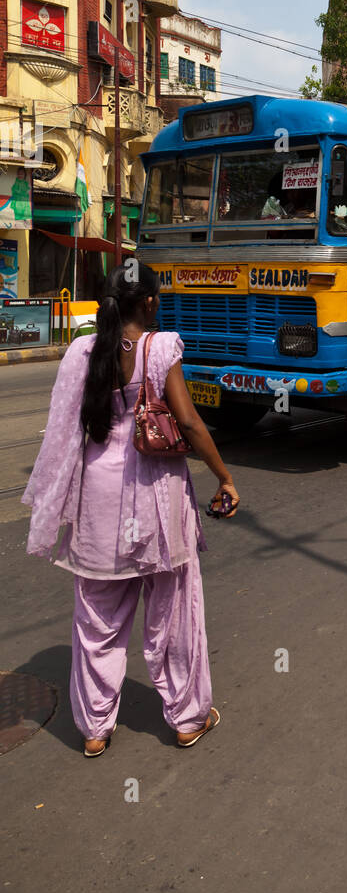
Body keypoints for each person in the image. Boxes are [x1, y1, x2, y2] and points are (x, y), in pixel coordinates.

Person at [22, 263, 239, 757]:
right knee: (174, 609)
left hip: (97, 500)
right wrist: (224, 476)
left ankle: (95, 729)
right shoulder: (160, 347)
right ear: (149, 303)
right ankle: (187, 719)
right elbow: (187, 421)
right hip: (155, 495)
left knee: (97, 617)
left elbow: (64, 430)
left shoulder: (82, 350)